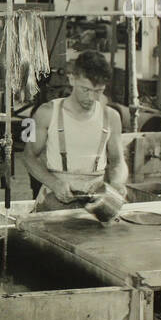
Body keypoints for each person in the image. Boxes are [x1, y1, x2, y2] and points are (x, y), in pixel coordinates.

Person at [23, 50, 127, 218]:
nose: (92, 97)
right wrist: (54, 183)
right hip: (55, 201)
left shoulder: (112, 117)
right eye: (85, 90)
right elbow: (28, 156)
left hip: (97, 205)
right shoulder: (46, 113)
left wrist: (117, 182)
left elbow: (118, 161)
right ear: (72, 79)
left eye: (98, 91)